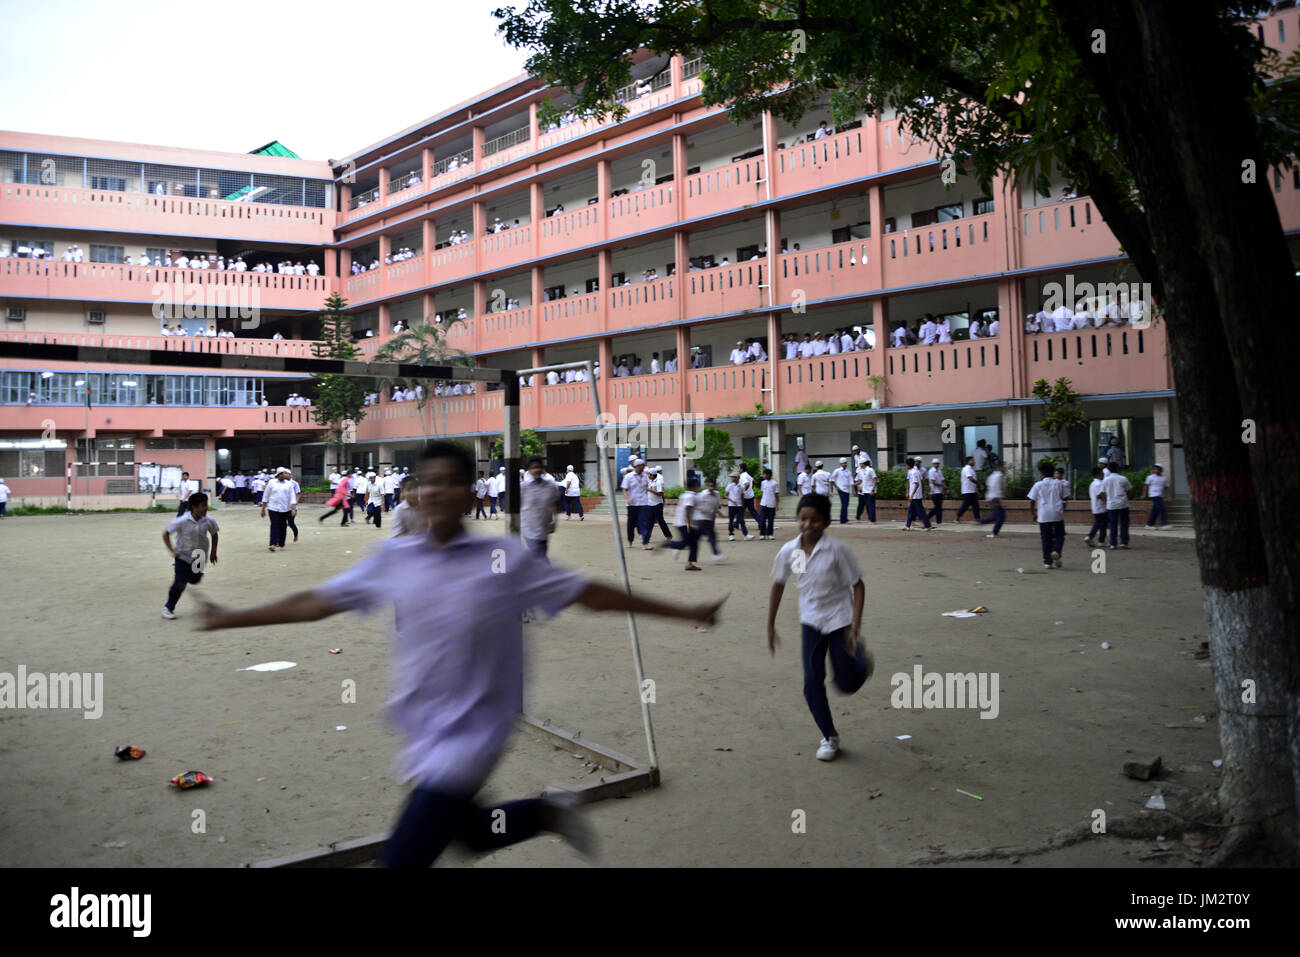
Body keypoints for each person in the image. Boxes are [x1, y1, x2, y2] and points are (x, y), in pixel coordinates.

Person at [196, 441, 724, 869]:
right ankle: (545, 812)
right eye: (428, 481)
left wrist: (683, 609)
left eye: (451, 481)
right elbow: (317, 601)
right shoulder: (395, 558)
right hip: (422, 726)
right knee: (470, 834)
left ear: (471, 495)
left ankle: (543, 812)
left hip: (477, 729)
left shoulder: (503, 560)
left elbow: (590, 594)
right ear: (415, 494)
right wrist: (231, 616)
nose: (438, 491)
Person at [767, 492, 872, 762]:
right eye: (803, 519)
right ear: (797, 520)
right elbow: (779, 583)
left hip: (839, 621)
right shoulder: (790, 551)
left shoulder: (837, 550)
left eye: (815, 520)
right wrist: (770, 624)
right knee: (812, 682)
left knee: (846, 683)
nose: (808, 525)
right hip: (811, 622)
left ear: (825, 522)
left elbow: (857, 586)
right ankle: (829, 736)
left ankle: (861, 660)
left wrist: (855, 629)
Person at [161, 492, 218, 620]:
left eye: (206, 505)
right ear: (194, 507)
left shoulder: (209, 521)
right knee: (180, 582)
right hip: (183, 554)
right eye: (203, 505)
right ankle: (168, 608)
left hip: (200, 555)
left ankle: (185, 577)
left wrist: (214, 551)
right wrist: (172, 551)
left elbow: (214, 534)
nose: (206, 508)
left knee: (195, 580)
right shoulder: (182, 521)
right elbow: (165, 534)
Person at [521, 457, 562, 556]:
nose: (537, 470)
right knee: (540, 557)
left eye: (539, 467)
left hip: (544, 530)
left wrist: (554, 521)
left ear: (543, 468)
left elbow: (556, 504)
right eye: (533, 467)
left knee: (541, 555)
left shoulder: (551, 487)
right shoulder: (523, 488)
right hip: (529, 529)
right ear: (529, 470)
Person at [689, 477, 726, 565]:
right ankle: (716, 554)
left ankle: (678, 546)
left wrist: (720, 513)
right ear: (706, 486)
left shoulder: (717, 494)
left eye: (712, 486)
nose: (711, 488)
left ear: (715, 486)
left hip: (711, 517)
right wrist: (701, 509)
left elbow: (716, 506)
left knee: (696, 538)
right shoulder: (702, 495)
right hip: (702, 518)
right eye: (709, 486)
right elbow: (693, 505)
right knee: (712, 535)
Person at [261, 467, 297, 551]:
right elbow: (266, 496)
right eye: (285, 473)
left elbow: (292, 497)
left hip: (285, 509)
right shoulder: (271, 483)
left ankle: (282, 544)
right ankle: (272, 544)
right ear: (280, 474)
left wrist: (293, 509)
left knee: (283, 526)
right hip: (273, 508)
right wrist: (263, 509)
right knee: (274, 525)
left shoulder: (289, 484)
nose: (287, 474)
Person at [621, 458, 653, 549]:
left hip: (644, 502)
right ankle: (630, 541)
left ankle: (645, 543)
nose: (643, 467)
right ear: (637, 466)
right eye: (642, 466)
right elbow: (624, 489)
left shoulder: (646, 476)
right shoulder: (629, 476)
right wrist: (627, 498)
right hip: (632, 503)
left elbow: (648, 487)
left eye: (643, 465)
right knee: (631, 524)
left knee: (644, 523)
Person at [670, 477, 700, 566]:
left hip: (680, 522)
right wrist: (688, 524)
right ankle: (669, 544)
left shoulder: (685, 495)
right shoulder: (690, 496)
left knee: (693, 543)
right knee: (686, 544)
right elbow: (687, 509)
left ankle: (690, 563)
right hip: (684, 523)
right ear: (695, 486)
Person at [1101, 466, 1133, 549]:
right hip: (1123, 504)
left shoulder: (1106, 480)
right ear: (1118, 469)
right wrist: (1127, 499)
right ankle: (1124, 542)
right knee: (1124, 524)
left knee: (1113, 524)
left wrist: (1106, 502)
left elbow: (1102, 493)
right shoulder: (1123, 478)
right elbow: (1129, 490)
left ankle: (1113, 544)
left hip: (1111, 505)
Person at [978, 461, 1007, 538]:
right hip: (995, 498)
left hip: (992, 498)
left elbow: (990, 487)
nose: (1005, 468)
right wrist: (998, 499)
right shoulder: (999, 476)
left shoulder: (992, 476)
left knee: (997, 516)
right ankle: (994, 532)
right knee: (1001, 516)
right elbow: (996, 488)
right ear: (1000, 467)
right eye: (1004, 467)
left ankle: (981, 522)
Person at [646, 467, 673, 542]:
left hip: (657, 504)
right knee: (650, 521)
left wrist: (650, 490)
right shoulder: (650, 482)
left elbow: (660, 493)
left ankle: (669, 536)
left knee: (660, 520)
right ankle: (647, 537)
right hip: (650, 504)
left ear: (652, 475)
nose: (648, 475)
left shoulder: (658, 482)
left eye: (649, 474)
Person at [1083, 466, 1109, 547]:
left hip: (1095, 506)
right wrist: (1107, 503)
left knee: (1100, 523)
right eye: (1102, 473)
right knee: (1101, 524)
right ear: (1099, 474)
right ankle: (1092, 537)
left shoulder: (1092, 483)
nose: (1103, 475)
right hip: (1101, 507)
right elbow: (1100, 495)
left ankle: (1099, 539)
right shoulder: (1099, 483)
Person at [904, 458, 933, 530]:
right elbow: (922, 482)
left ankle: (927, 525)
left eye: (906, 465)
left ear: (908, 465)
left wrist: (911, 495)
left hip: (915, 496)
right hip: (916, 495)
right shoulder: (916, 471)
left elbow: (916, 484)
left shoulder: (913, 473)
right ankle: (907, 526)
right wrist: (923, 492)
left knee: (920, 511)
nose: (906, 466)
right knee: (911, 510)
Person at [954, 457, 982, 522]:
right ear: (968, 461)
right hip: (967, 491)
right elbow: (970, 478)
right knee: (965, 505)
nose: (974, 462)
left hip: (972, 490)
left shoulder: (971, 469)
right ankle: (957, 517)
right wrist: (979, 484)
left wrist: (977, 486)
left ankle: (977, 519)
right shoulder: (967, 469)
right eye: (972, 460)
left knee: (976, 505)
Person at [725, 471, 752, 542]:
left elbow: (742, 496)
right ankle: (731, 534)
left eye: (733, 477)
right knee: (731, 520)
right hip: (731, 506)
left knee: (741, 520)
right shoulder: (729, 486)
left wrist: (743, 505)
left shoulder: (741, 486)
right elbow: (726, 495)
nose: (731, 478)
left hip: (739, 506)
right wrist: (732, 500)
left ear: (736, 478)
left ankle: (746, 535)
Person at [1144, 464, 1170, 530]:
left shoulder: (1164, 478)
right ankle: (1164, 524)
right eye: (1154, 469)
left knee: (1155, 510)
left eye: (1157, 469)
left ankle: (1149, 525)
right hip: (1153, 495)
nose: (1155, 470)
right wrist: (1143, 494)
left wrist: (1167, 496)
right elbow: (1146, 486)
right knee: (1161, 509)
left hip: (1160, 495)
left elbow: (1166, 488)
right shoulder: (1150, 477)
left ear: (1161, 470)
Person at [830, 457, 854, 525]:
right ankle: (843, 520)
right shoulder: (837, 471)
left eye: (846, 463)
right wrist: (836, 487)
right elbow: (831, 480)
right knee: (844, 504)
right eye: (843, 463)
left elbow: (851, 482)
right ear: (841, 464)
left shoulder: (848, 472)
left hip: (847, 490)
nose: (845, 464)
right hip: (841, 490)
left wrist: (854, 491)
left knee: (846, 504)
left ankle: (844, 518)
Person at [738, 463, 762, 530]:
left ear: (742, 469)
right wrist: (750, 489)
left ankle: (736, 524)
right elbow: (753, 481)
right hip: (750, 496)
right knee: (752, 511)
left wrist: (744, 491)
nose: (738, 470)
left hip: (745, 497)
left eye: (739, 468)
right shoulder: (748, 475)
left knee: (740, 511)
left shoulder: (742, 476)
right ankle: (761, 523)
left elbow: (747, 484)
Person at [758, 468, 779, 540]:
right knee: (762, 519)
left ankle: (770, 534)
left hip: (771, 503)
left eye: (765, 474)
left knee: (771, 520)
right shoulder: (763, 483)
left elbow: (776, 494)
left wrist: (777, 504)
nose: (764, 475)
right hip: (764, 503)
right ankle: (762, 534)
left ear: (769, 475)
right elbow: (762, 493)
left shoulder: (774, 483)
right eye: (764, 474)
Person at [854, 457, 877, 523]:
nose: (860, 465)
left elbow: (875, 480)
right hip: (865, 491)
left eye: (860, 464)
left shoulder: (870, 470)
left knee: (871, 505)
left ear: (863, 464)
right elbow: (860, 481)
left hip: (870, 491)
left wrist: (873, 490)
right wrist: (854, 484)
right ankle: (871, 519)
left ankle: (872, 520)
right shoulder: (861, 471)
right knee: (868, 506)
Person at [924, 458, 946, 525]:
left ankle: (939, 521)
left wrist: (945, 487)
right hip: (934, 491)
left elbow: (942, 479)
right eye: (935, 463)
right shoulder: (931, 471)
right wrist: (942, 485)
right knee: (937, 507)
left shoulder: (939, 471)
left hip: (940, 491)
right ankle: (927, 518)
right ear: (933, 464)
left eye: (937, 463)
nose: (936, 465)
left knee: (939, 507)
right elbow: (933, 482)